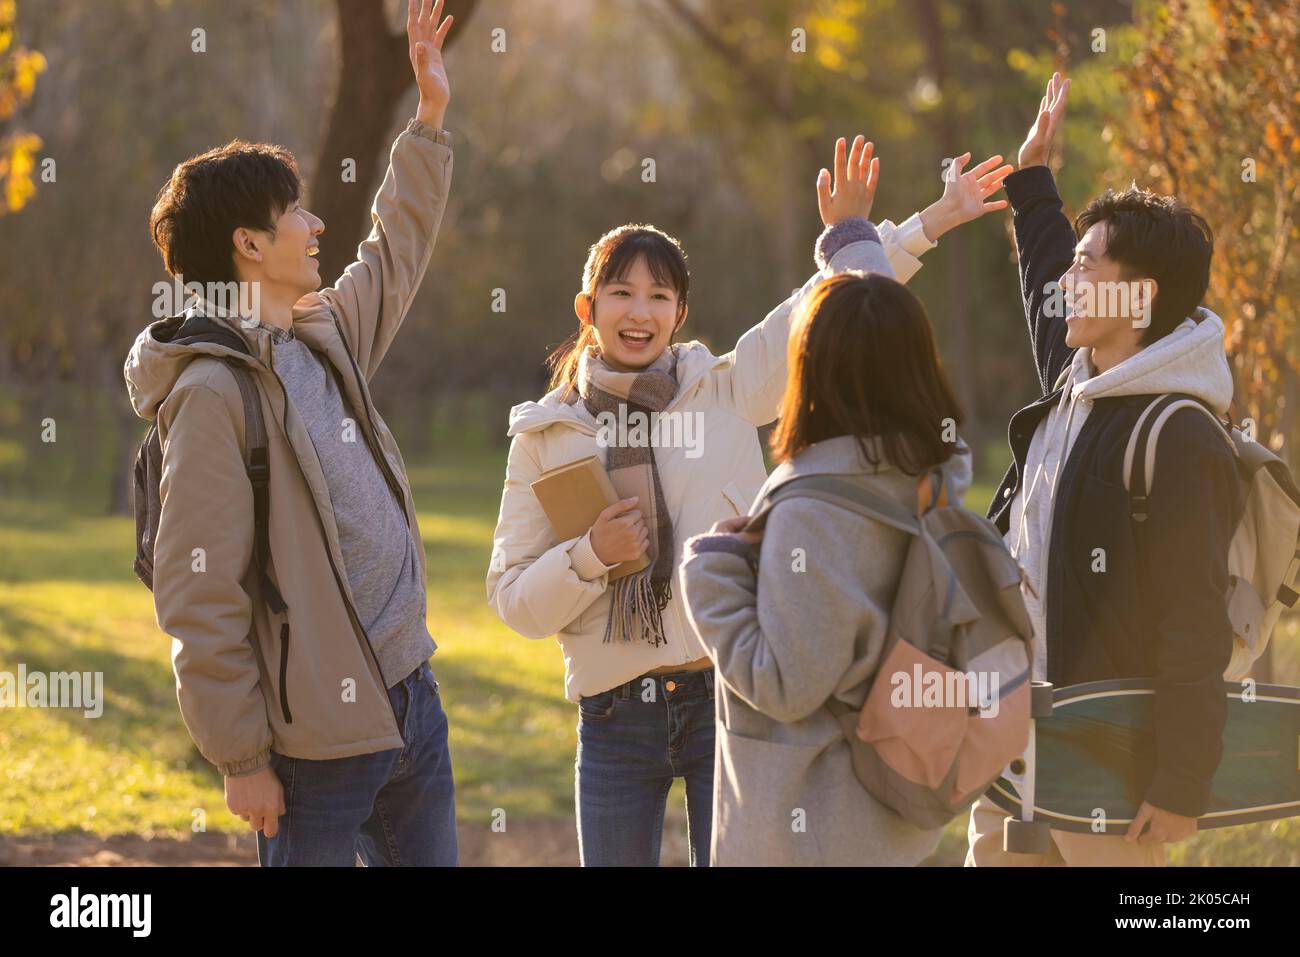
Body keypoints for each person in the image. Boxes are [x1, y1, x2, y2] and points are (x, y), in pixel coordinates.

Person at [486, 132, 1011, 866]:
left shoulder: (725, 389)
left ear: (680, 312)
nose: (640, 310)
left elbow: (820, 307)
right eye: (621, 292)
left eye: (659, 295)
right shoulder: (546, 434)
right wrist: (587, 557)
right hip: (611, 717)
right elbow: (512, 598)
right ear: (587, 306)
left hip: (722, 701)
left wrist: (928, 221)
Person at [123, 0, 459, 866]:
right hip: (317, 750)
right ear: (247, 242)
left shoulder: (320, 333)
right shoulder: (210, 394)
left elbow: (394, 254)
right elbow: (198, 592)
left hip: (411, 704)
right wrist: (240, 758)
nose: (315, 227)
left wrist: (427, 121)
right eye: (297, 214)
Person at [966, 72, 1242, 866]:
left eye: (1090, 268)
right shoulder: (1077, 377)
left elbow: (1195, 622)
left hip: (1109, 765)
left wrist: (1182, 777)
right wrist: (1033, 181)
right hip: (1015, 740)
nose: (1068, 281)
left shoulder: (1179, 433)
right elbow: (1042, 273)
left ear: (1140, 299)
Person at [678, 268, 978, 866]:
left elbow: (785, 686)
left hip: (811, 825)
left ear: (812, 368)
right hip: (889, 814)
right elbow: (876, 318)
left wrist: (712, 570)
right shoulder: (933, 478)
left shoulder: (813, 511)